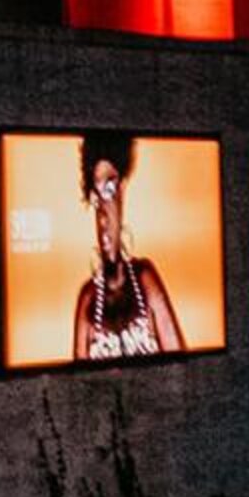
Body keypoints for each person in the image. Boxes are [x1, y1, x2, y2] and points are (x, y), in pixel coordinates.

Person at [70, 132, 187, 362]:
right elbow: (75, 388)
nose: (103, 213)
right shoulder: (88, 300)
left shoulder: (145, 281)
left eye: (110, 189)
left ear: (122, 188)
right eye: (96, 197)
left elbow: (182, 370)